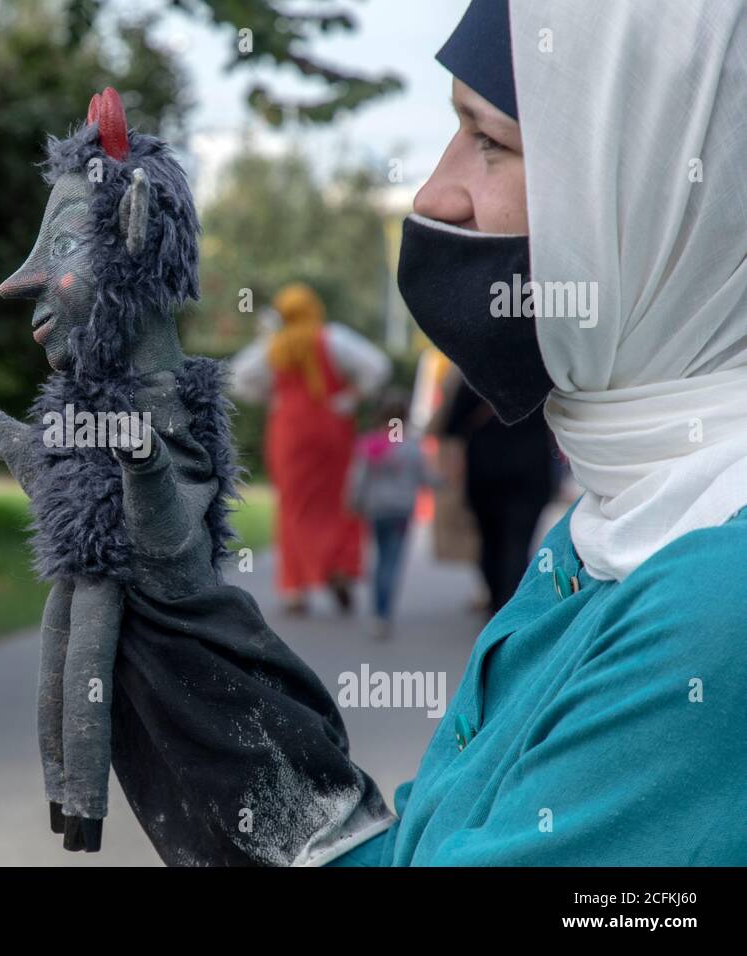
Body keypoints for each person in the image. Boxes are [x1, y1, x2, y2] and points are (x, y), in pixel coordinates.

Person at [316, 0, 747, 864]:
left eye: (491, 141)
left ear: (655, 189)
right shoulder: (619, 518)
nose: (435, 195)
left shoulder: (717, 605)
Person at [248, 283, 390, 615]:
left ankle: (295, 589)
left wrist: (272, 398)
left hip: (288, 432)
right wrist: (351, 397)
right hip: (331, 427)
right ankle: (338, 566)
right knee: (339, 500)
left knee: (293, 505)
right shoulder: (334, 338)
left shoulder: (274, 346)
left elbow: (240, 377)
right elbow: (378, 367)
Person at [442, 376, 556, 615]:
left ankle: (497, 603)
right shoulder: (541, 375)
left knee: (490, 541)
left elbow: (451, 426)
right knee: (518, 542)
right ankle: (509, 608)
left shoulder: (474, 375)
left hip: (484, 471)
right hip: (531, 470)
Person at [347, 388, 435, 639]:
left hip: (376, 509)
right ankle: (384, 613)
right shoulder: (412, 447)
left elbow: (359, 478)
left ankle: (377, 611)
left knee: (378, 558)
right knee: (392, 561)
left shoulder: (370, 444)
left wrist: (354, 501)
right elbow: (425, 478)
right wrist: (445, 481)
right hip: (401, 511)